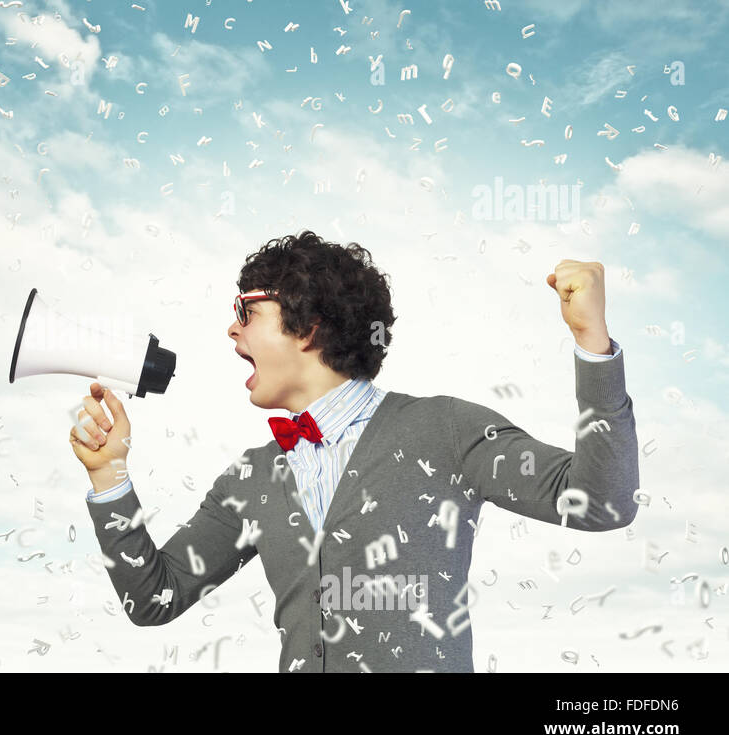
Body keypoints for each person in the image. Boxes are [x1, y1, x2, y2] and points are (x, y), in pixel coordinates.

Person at [69, 230, 639, 673]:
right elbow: (153, 599)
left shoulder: (446, 429)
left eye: (246, 311)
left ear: (308, 328)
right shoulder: (249, 478)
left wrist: (593, 343)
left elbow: (603, 503)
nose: (230, 330)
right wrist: (109, 474)